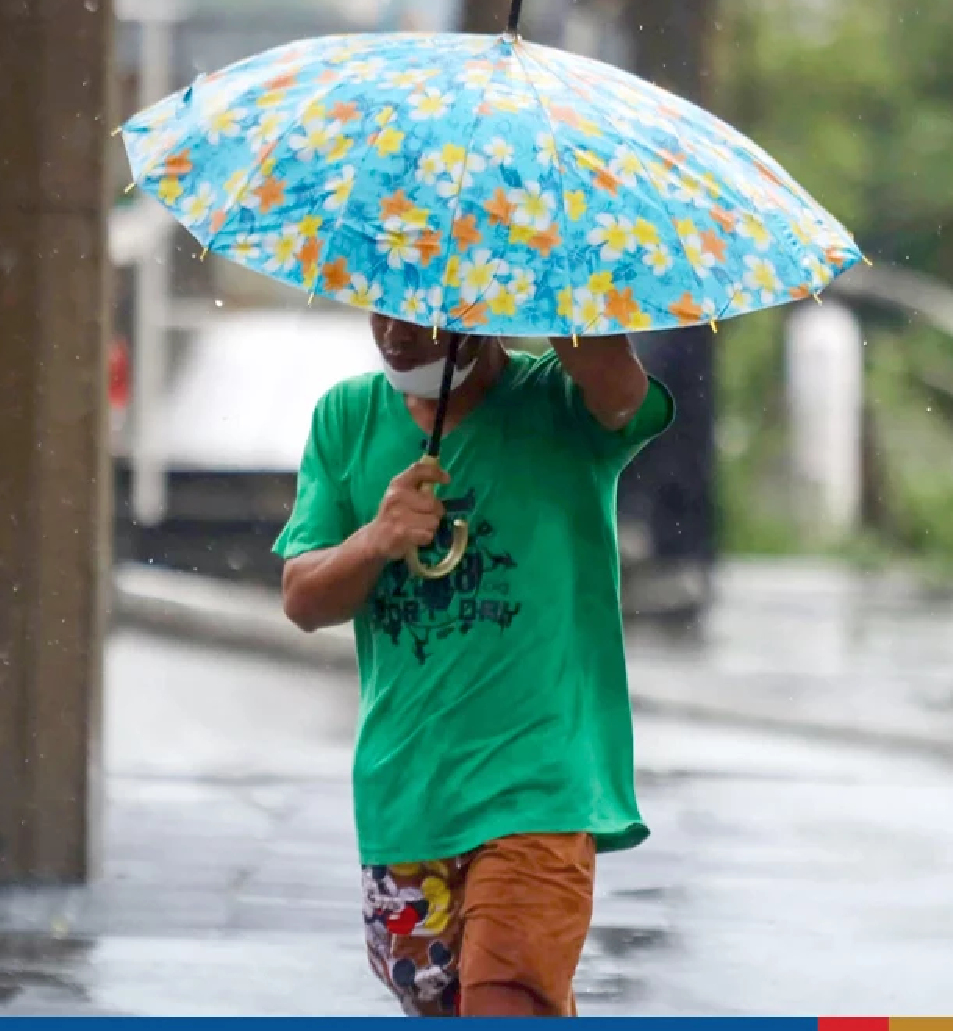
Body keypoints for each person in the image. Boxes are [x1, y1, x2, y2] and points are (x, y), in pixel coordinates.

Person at [275, 313, 672, 1017]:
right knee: (441, 1003)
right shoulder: (347, 417)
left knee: (505, 996)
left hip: (538, 790)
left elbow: (621, 394)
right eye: (383, 303)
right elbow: (303, 598)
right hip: (404, 797)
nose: (394, 331)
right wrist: (377, 538)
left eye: (421, 314)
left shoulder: (562, 402)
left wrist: (547, 276)